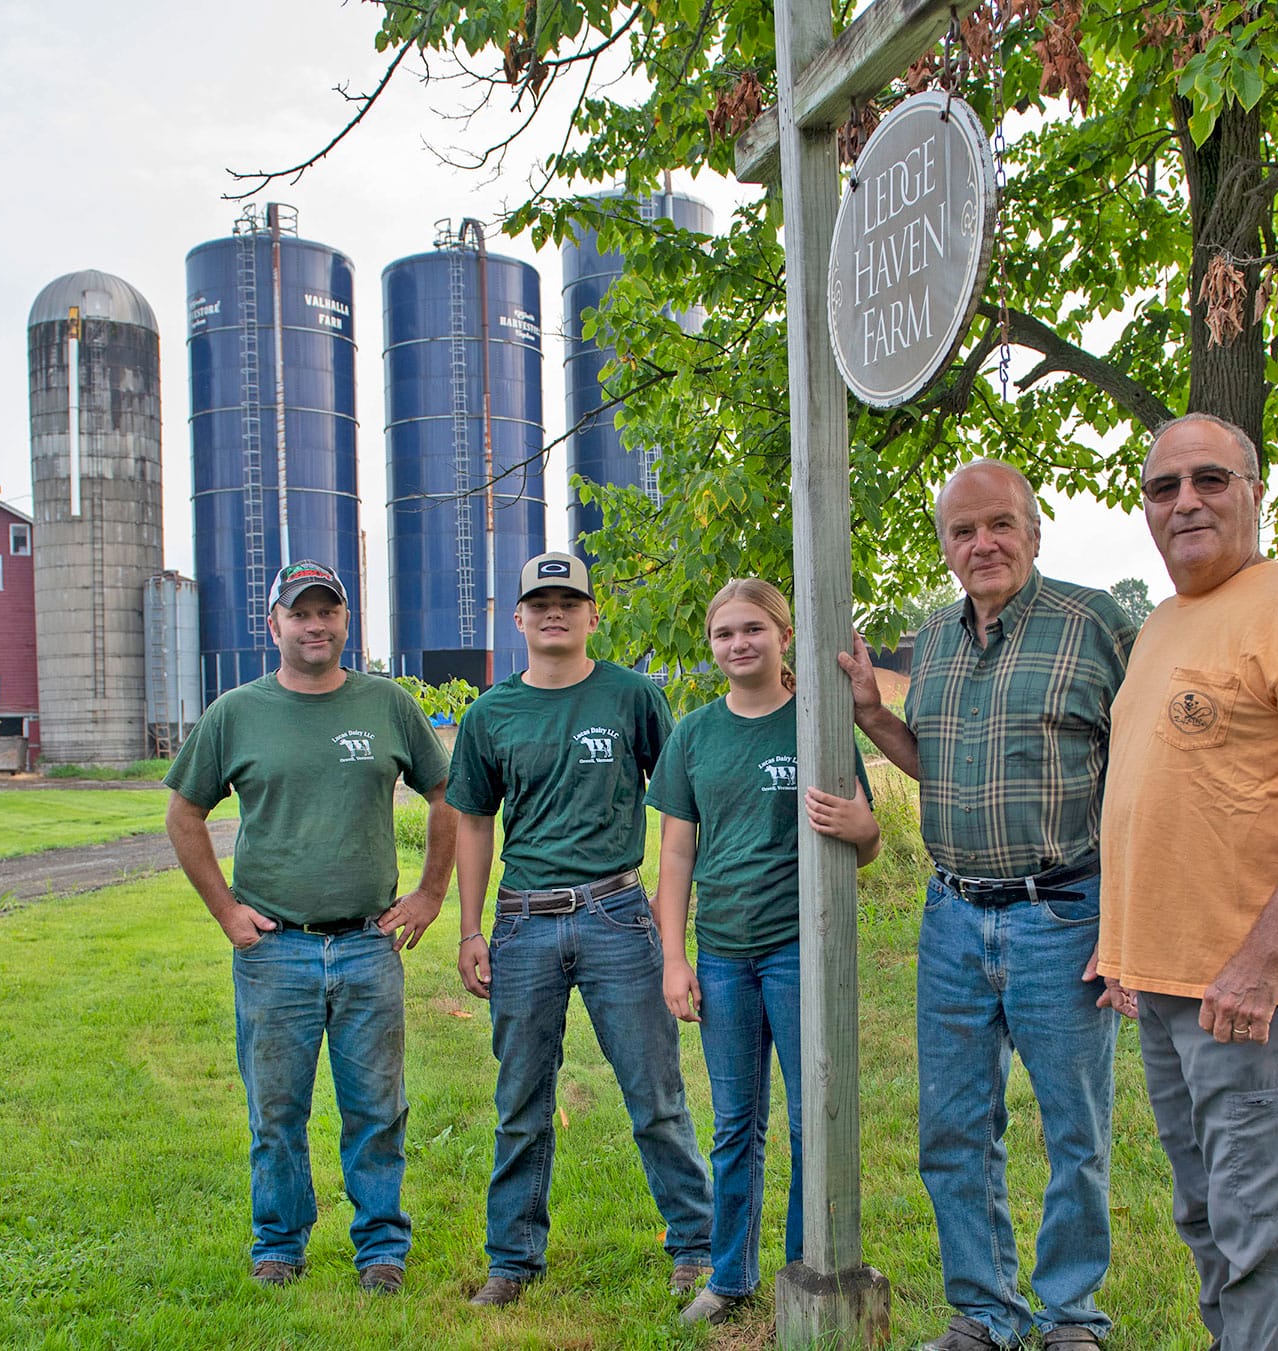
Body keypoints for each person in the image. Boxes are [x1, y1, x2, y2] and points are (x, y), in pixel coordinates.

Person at [1093, 413, 1278, 1350]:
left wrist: (1259, 963)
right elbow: (1151, 800)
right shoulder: (1162, 627)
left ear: (1256, 492)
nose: (1185, 502)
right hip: (1169, 990)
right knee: (1208, 1221)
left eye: (1209, 479)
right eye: (1163, 487)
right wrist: (1121, 952)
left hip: (1249, 995)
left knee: (1262, 1232)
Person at [837, 459, 1132, 1351]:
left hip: (1062, 915)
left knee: (1074, 1129)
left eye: (1000, 524)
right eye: (962, 532)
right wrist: (872, 716)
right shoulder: (931, 640)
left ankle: (1071, 1315)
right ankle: (985, 1313)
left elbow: (1141, 784)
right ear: (946, 547)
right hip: (954, 918)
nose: (983, 544)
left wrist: (1124, 923)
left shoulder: (1095, 626)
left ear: (1034, 533)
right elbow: (943, 764)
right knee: (954, 1125)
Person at [163, 559, 456, 1294]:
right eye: (300, 613)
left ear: (346, 622)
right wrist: (227, 909)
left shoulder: (387, 704)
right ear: (275, 625)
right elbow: (183, 813)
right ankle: (280, 1246)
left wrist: (429, 893)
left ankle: (381, 1249)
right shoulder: (237, 711)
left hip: (366, 944)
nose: (315, 624)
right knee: (277, 1113)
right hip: (275, 950)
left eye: (328, 611)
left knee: (376, 1110)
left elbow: (449, 793)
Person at [448, 551, 716, 1308]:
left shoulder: (633, 697)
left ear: (595, 614)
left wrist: (674, 928)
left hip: (617, 915)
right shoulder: (489, 714)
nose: (555, 612)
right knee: (520, 1101)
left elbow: (678, 812)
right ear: (520, 618)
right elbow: (472, 821)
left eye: (570, 600)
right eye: (541, 602)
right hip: (523, 923)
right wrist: (470, 928)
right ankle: (513, 1261)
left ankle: (696, 1246)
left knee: (655, 1093)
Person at [647, 578, 883, 1324]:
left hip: (797, 952)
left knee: (813, 1116)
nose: (738, 643)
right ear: (712, 645)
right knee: (733, 1121)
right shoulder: (694, 735)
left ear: (784, 635)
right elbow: (677, 855)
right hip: (721, 951)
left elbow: (867, 836)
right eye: (724, 633)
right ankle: (730, 1274)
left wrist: (861, 827)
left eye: (753, 628)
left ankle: (801, 1267)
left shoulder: (817, 723)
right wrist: (674, 958)